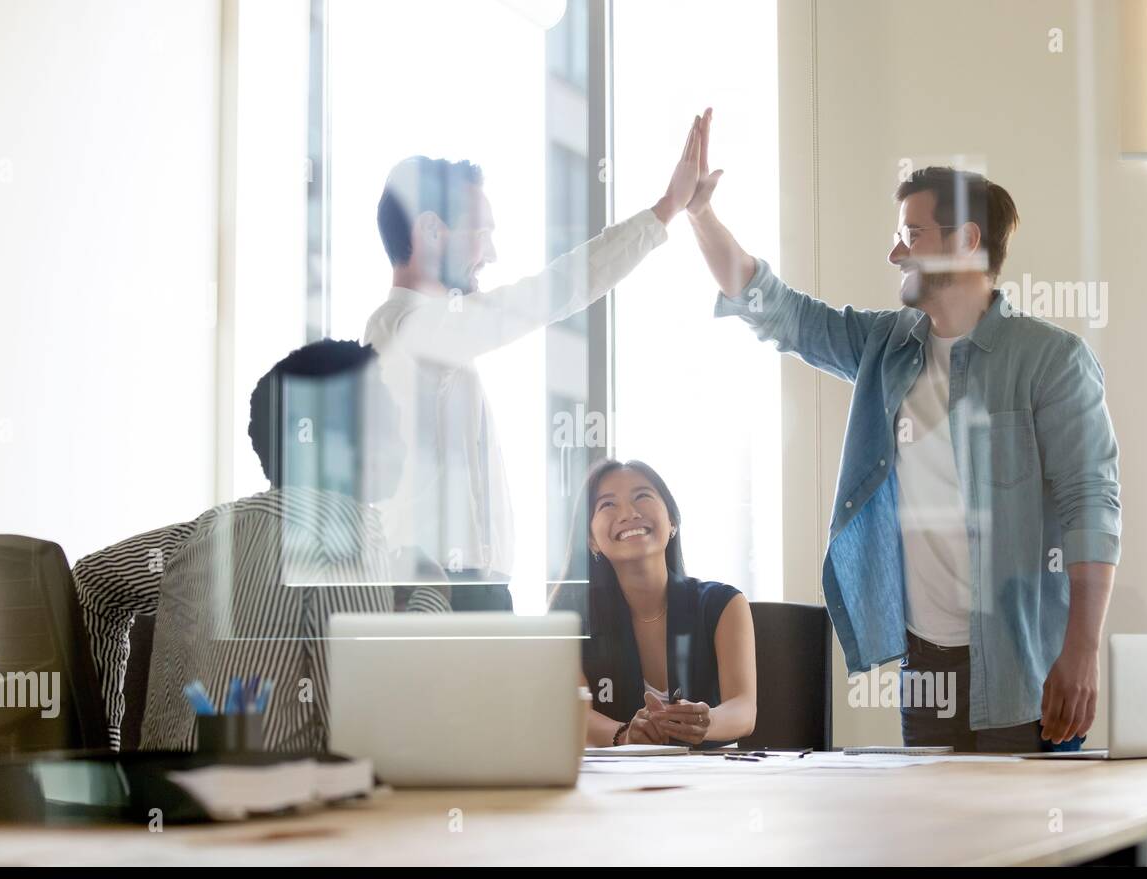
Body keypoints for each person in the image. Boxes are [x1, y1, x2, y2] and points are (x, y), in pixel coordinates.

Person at [688, 108, 1120, 752]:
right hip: (925, 667)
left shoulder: (1050, 358)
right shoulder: (884, 347)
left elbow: (1092, 504)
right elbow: (775, 309)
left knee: (1030, 847)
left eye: (911, 233)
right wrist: (700, 212)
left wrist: (1081, 654)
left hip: (1023, 662)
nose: (895, 251)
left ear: (966, 240)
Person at [363, 118, 706, 609]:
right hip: (443, 595)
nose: (492, 253)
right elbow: (552, 291)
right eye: (480, 233)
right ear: (432, 231)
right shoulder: (411, 330)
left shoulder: (427, 334)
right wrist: (665, 210)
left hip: (463, 589)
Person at [73, 340, 448, 752]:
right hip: (281, 812)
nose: (401, 436)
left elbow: (93, 584)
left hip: (161, 804)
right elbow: (373, 735)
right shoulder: (348, 532)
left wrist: (101, 751)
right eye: (386, 416)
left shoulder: (202, 533)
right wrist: (431, 593)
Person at [550, 458, 756, 748]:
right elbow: (571, 711)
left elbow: (744, 709)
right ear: (591, 539)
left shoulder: (724, 604)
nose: (629, 513)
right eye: (607, 504)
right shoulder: (570, 618)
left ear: (672, 521)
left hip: (710, 781)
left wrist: (707, 721)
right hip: (611, 783)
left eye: (642, 496)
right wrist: (625, 734)